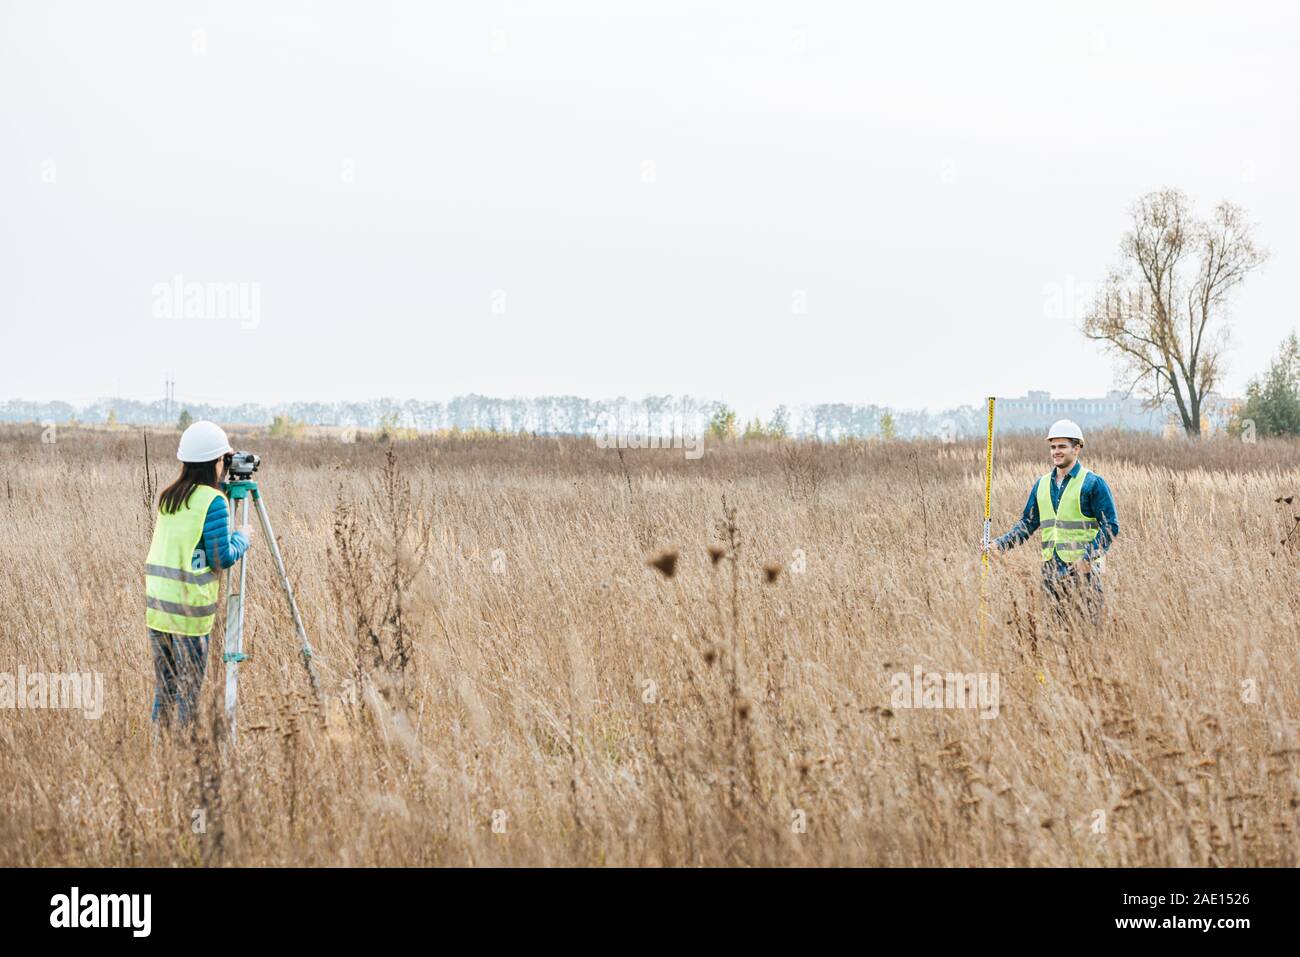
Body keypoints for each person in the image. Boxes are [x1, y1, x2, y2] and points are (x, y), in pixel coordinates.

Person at [145, 421, 250, 729]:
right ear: (218, 461)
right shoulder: (214, 501)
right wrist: (243, 536)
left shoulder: (170, 496)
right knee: (188, 695)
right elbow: (221, 558)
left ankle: (159, 753)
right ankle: (182, 758)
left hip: (159, 609)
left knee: (164, 690)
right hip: (190, 614)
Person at [983, 420, 1119, 629]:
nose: (1056, 451)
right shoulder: (1042, 484)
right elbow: (1028, 523)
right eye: (1053, 447)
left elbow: (1111, 526)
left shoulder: (1092, 483)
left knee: (1088, 636)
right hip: (1051, 573)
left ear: (1077, 448)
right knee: (1057, 635)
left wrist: (1088, 557)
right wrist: (1000, 544)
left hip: (1084, 574)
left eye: (1062, 446)